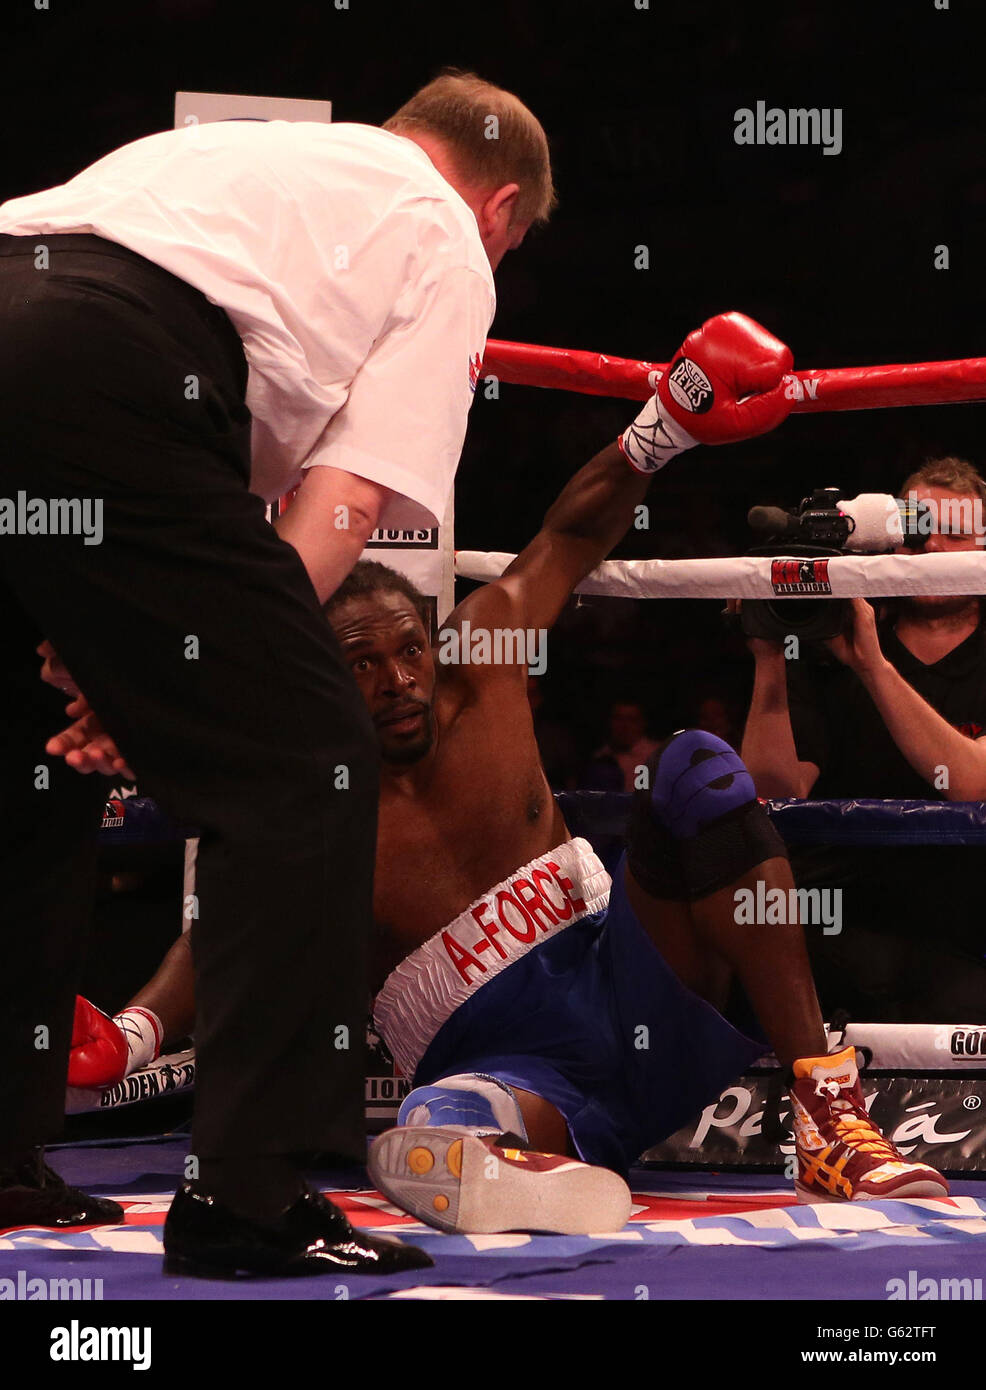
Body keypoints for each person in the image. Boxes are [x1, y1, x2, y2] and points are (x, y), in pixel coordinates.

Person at [69, 313, 949, 1232]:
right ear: (322, 679)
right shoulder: (305, 792)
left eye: (408, 652)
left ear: (435, 644)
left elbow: (571, 533)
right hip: (520, 1078)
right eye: (361, 667)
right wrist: (133, 1038)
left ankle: (827, 1117)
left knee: (697, 766)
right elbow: (220, 935)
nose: (398, 682)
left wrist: (670, 419)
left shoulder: (482, 664)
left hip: (638, 988)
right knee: (431, 1129)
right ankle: (513, 1175)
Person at [0, 69, 552, 1275]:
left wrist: (134, 663)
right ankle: (245, 1198)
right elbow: (341, 503)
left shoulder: (242, 164)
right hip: (103, 373)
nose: (497, 257)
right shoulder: (446, 240)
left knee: (24, 765)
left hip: (33, 313)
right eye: (510, 238)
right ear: (497, 203)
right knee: (308, 764)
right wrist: (202, 663)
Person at [741, 456, 986, 1021]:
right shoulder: (831, 639)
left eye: (954, 534)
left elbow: (972, 785)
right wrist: (769, 658)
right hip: (837, 925)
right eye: (918, 532)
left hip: (962, 929)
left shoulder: (865, 653)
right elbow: (776, 790)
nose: (931, 551)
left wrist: (875, 669)